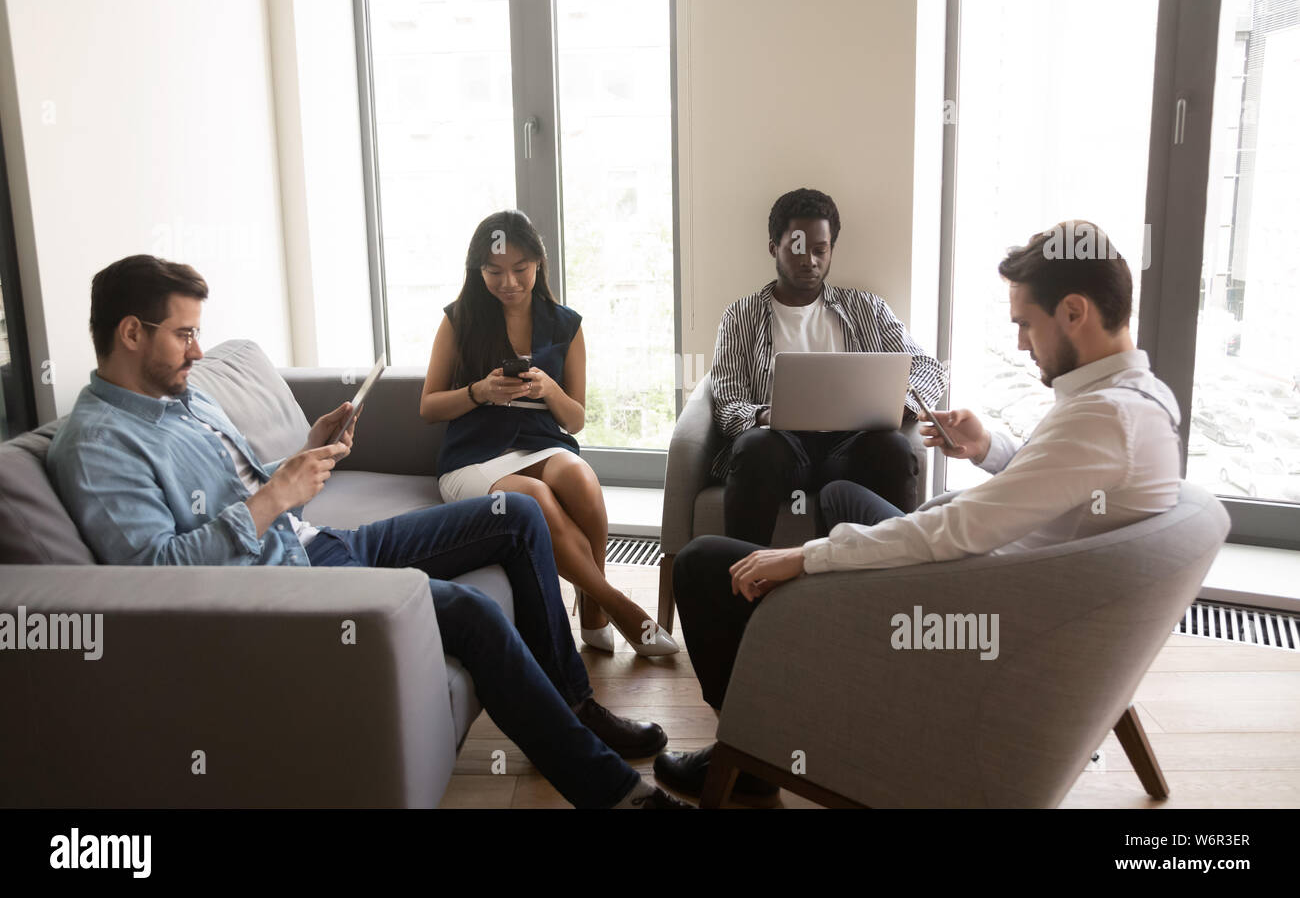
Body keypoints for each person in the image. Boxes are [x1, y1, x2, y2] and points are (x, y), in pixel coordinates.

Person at [47, 254, 690, 809]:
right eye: (184, 334)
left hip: (320, 543)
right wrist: (276, 497)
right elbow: (158, 574)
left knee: (517, 515)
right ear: (131, 332)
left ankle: (576, 707)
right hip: (286, 589)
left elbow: (242, 490)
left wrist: (306, 453)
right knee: (468, 612)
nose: (197, 350)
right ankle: (612, 793)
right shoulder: (99, 445)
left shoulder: (185, 395)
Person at [655, 220, 1183, 802]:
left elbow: (955, 530)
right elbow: (1058, 484)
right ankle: (813, 650)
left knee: (703, 563)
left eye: (1026, 324)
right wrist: (989, 448)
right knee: (838, 498)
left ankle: (755, 749)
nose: (1022, 343)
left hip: (957, 605)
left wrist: (806, 558)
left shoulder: (1102, 418)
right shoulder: (1136, 403)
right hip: (985, 578)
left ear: (1075, 312)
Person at [420, 210, 678, 657]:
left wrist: (550, 389)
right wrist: (479, 392)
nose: (509, 282)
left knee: (579, 477)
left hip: (540, 445)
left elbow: (574, 420)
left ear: (538, 264)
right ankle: (615, 605)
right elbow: (428, 407)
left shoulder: (565, 324)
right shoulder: (459, 320)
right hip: (472, 460)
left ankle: (593, 606)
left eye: (520, 269)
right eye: (494, 271)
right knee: (534, 499)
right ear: (477, 270)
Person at [709, 188, 948, 545]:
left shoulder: (867, 309)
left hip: (851, 449)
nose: (810, 261)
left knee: (893, 449)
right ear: (774, 247)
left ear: (831, 250)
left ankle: (896, 579)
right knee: (754, 449)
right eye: (798, 248)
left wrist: (904, 406)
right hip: (781, 451)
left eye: (820, 250)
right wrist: (764, 416)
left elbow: (930, 367)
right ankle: (744, 579)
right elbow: (727, 405)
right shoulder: (740, 316)